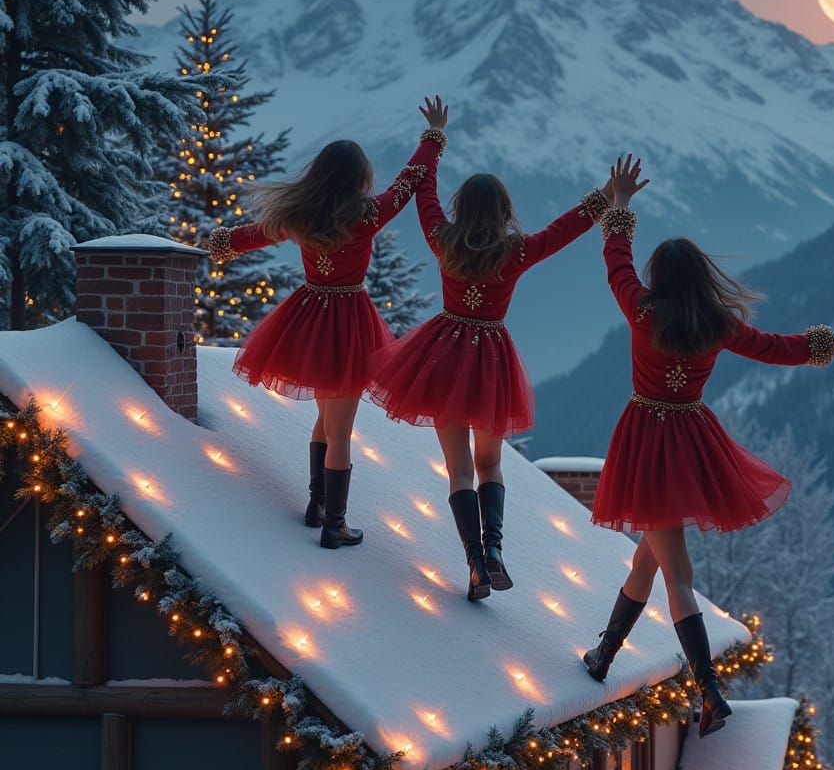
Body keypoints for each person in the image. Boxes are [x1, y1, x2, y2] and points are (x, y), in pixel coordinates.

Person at [582, 155, 834, 738]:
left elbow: (615, 261)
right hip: (693, 442)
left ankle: (708, 689)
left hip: (645, 441)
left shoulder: (641, 308)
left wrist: (620, 206)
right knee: (651, 558)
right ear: (700, 277)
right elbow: (780, 348)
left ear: (660, 278)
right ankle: (603, 656)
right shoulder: (718, 325)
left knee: (676, 574)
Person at [368, 96, 615, 600]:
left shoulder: (443, 239)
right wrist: (607, 196)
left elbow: (424, 196)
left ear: (463, 209)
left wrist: (433, 140)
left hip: (441, 354)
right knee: (490, 464)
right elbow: (563, 230)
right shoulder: (516, 251)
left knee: (457, 468)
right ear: (504, 212)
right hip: (490, 361)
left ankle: (475, 562)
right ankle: (496, 549)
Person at [207, 112, 447, 549]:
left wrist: (216, 243)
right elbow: (410, 183)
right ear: (359, 178)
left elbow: (254, 235)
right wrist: (433, 138)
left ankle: (318, 506)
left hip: (310, 318)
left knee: (324, 419)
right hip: (350, 322)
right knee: (340, 430)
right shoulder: (367, 214)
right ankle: (334, 525)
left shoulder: (302, 214)